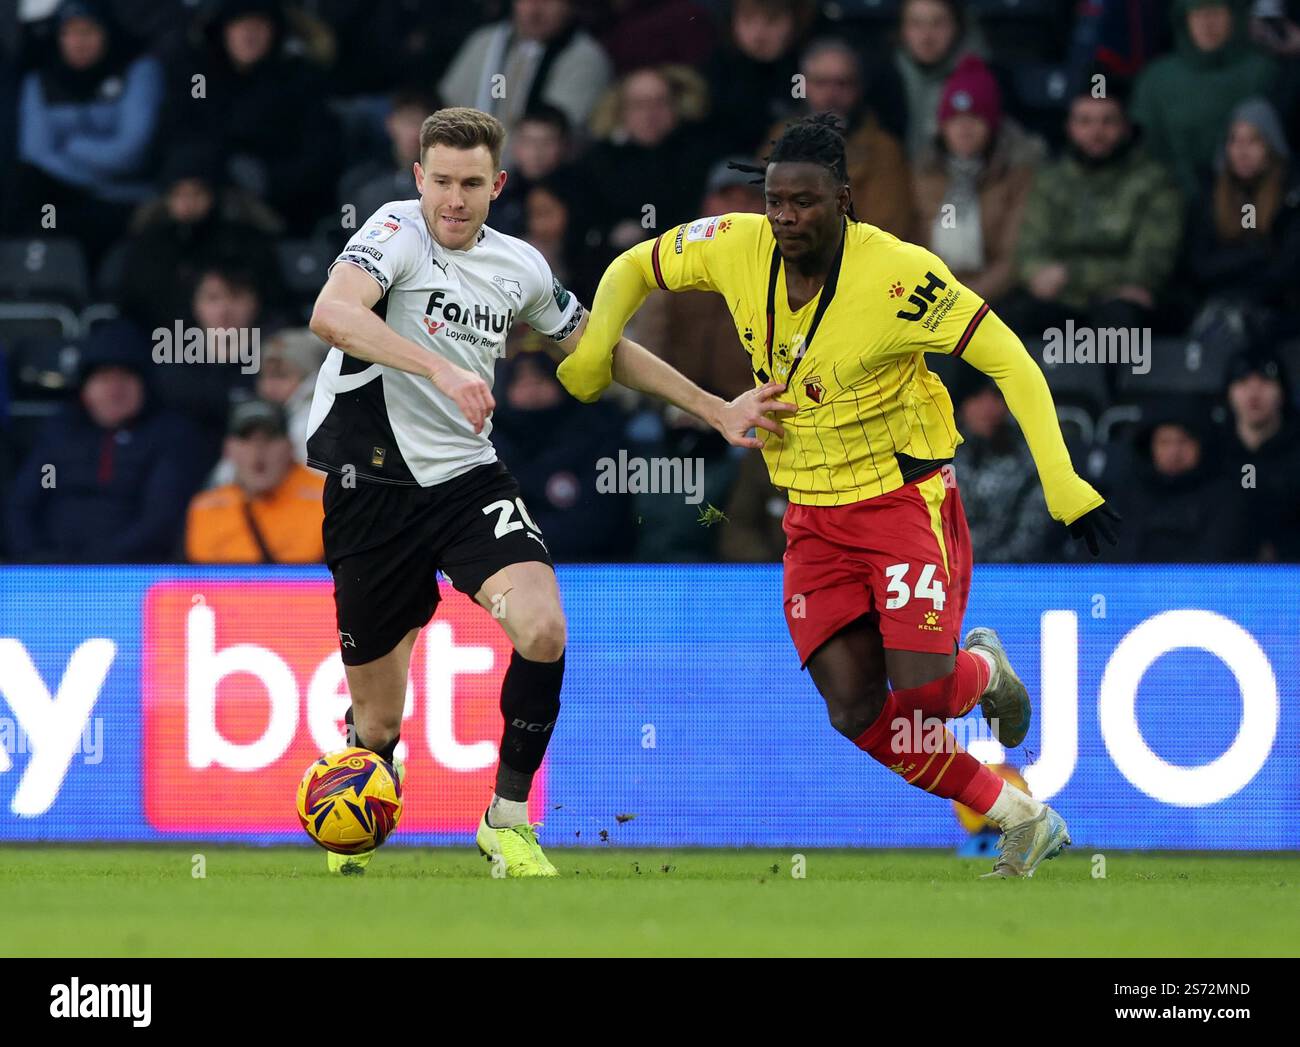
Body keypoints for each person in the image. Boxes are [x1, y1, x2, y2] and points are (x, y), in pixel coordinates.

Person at [556, 113, 1122, 878]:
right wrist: (594, 355)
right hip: (811, 516)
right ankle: (1021, 814)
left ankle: (984, 668)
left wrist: (1063, 481)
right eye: (776, 201)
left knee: (924, 700)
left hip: (902, 501)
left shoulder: (899, 278)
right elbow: (632, 267)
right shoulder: (734, 243)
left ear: (845, 199)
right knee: (855, 709)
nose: (786, 217)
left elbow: (1011, 360)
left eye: (806, 201)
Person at [305, 107, 764, 876]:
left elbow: (597, 346)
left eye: (471, 184)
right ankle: (368, 769)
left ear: (498, 185)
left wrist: (714, 408)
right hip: (370, 487)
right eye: (441, 181)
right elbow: (331, 313)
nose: (454, 199)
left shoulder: (519, 266)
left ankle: (507, 820)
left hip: (465, 479)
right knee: (380, 722)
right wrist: (439, 366)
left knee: (544, 629)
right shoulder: (392, 232)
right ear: (419, 179)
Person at [1002, 82, 1182, 343]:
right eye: (1085, 121)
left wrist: (1068, 275)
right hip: (1060, 303)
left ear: (1125, 127)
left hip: (1120, 305)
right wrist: (1040, 276)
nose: (1096, 132)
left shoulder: (1154, 182)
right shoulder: (1050, 181)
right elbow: (1029, 254)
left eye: (1107, 122)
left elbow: (1148, 266)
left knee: (1119, 325)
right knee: (1007, 322)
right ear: (1069, 127)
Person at [7, 320, 199, 563]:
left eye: (125, 377)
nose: (114, 390)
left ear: (145, 387)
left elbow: (160, 518)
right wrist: (34, 556)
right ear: (85, 389)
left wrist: (99, 564)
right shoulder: (60, 433)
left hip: (129, 575)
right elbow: (24, 503)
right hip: (48, 571)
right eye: (103, 378)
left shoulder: (168, 436)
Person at [913, 55, 1045, 306]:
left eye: (974, 118)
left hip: (994, 299)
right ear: (942, 126)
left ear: (992, 125)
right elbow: (907, 245)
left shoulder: (1016, 174)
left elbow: (1013, 257)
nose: (964, 129)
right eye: (955, 119)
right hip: (928, 298)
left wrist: (963, 302)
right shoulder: (923, 174)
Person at [1131, 0, 1277, 197]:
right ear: (1184, 21)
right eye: (1197, 14)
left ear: (1234, 17)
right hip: (1172, 198)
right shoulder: (1156, 78)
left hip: (1252, 198)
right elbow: (1147, 151)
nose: (1207, 24)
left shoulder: (1265, 72)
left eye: (1215, 12)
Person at [438, 0, 612, 135]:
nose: (534, 10)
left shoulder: (585, 58)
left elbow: (553, 136)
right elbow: (446, 108)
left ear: (570, 6)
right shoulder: (484, 42)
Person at [186, 400, 325, 563]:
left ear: (290, 447)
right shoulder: (205, 507)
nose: (257, 451)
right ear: (228, 449)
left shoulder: (326, 499)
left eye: (269, 438)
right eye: (247, 439)